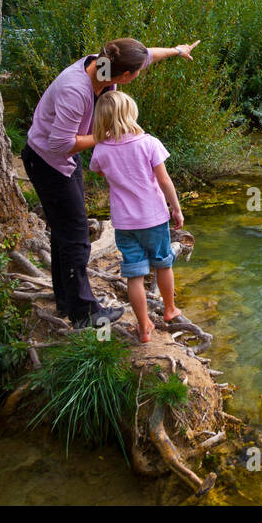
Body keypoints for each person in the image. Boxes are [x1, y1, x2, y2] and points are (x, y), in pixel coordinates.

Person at [22, 37, 198, 327]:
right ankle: (85, 314)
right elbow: (58, 144)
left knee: (64, 232)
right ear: (126, 76)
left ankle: (66, 301)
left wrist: (178, 51)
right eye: (137, 72)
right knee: (76, 236)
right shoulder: (75, 89)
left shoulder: (106, 64)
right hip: (48, 162)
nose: (141, 73)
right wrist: (109, 135)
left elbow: (147, 55)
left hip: (65, 158)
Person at [89, 90, 187, 343]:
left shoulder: (100, 150)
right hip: (153, 218)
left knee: (135, 274)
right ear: (130, 114)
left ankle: (144, 327)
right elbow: (164, 180)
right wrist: (176, 208)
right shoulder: (149, 143)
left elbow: (101, 172)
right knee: (163, 263)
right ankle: (169, 309)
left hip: (124, 223)